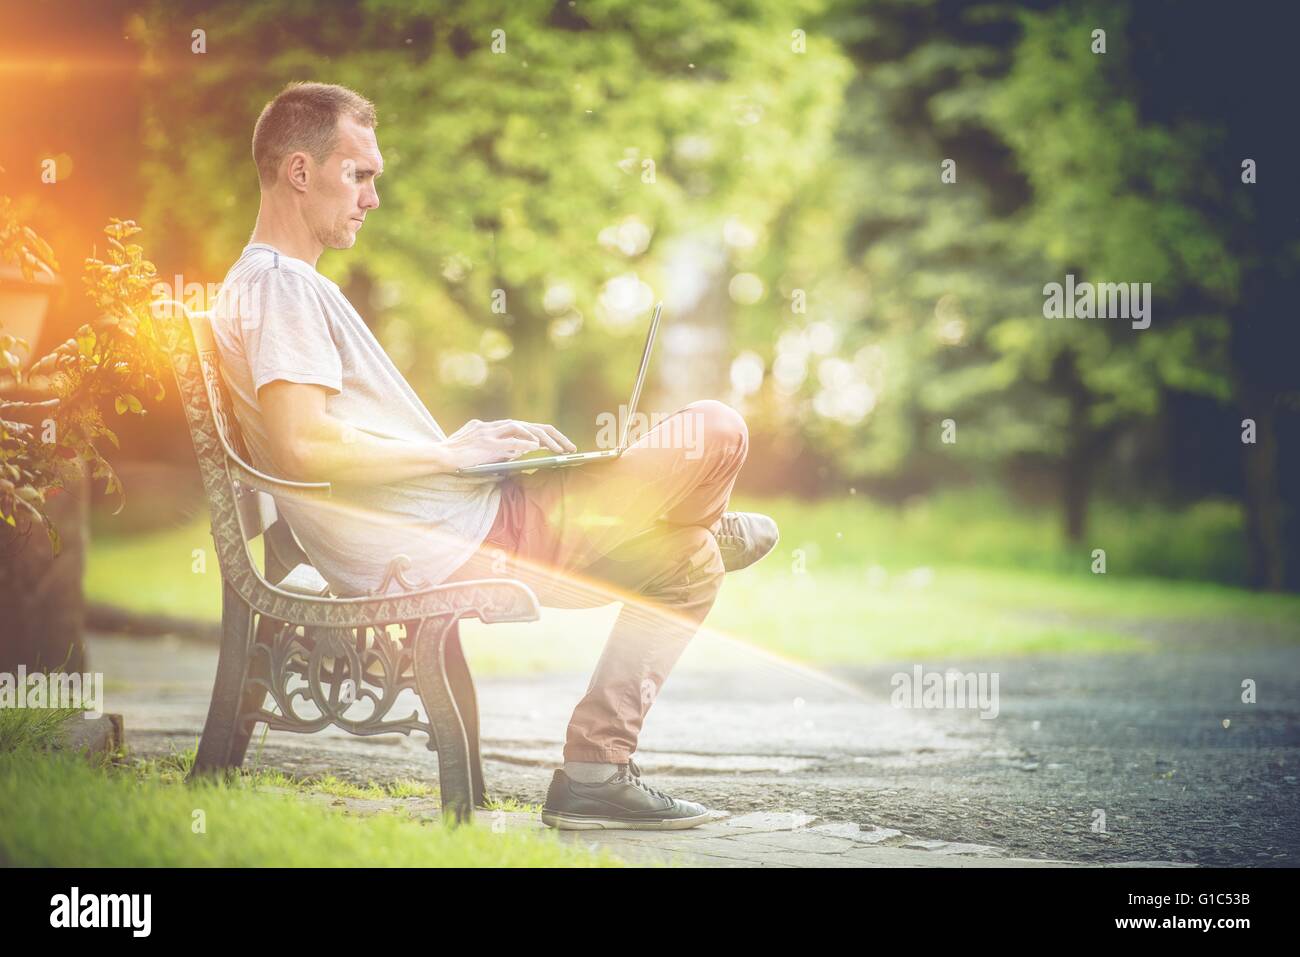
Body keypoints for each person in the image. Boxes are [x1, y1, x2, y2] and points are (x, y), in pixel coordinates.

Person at [210, 81, 779, 830]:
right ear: (299, 171)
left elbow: (323, 440)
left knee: (689, 564)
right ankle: (708, 517)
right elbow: (302, 443)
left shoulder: (279, 286)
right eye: (361, 174)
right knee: (715, 430)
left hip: (468, 519)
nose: (373, 197)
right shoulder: (281, 289)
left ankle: (593, 772)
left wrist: (467, 449)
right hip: (460, 538)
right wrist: (452, 457)